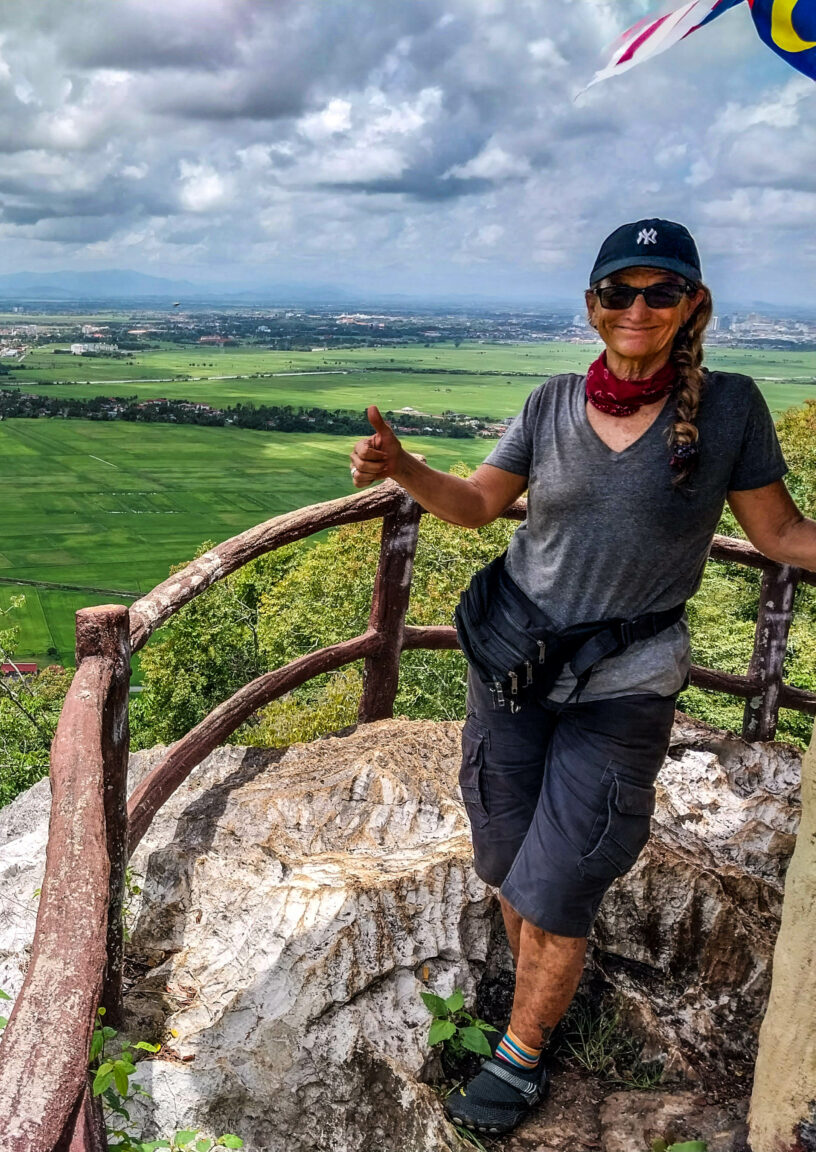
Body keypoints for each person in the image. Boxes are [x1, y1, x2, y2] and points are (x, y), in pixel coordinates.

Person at [348, 217, 816, 1137]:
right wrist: (404, 468)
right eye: (619, 291)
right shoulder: (550, 401)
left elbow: (780, 536)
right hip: (514, 667)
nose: (637, 308)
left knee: (559, 885)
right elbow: (481, 506)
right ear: (592, 306)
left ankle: (522, 1056)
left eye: (660, 291)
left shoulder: (731, 410)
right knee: (506, 862)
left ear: (693, 306)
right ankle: (541, 992)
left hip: (626, 683)